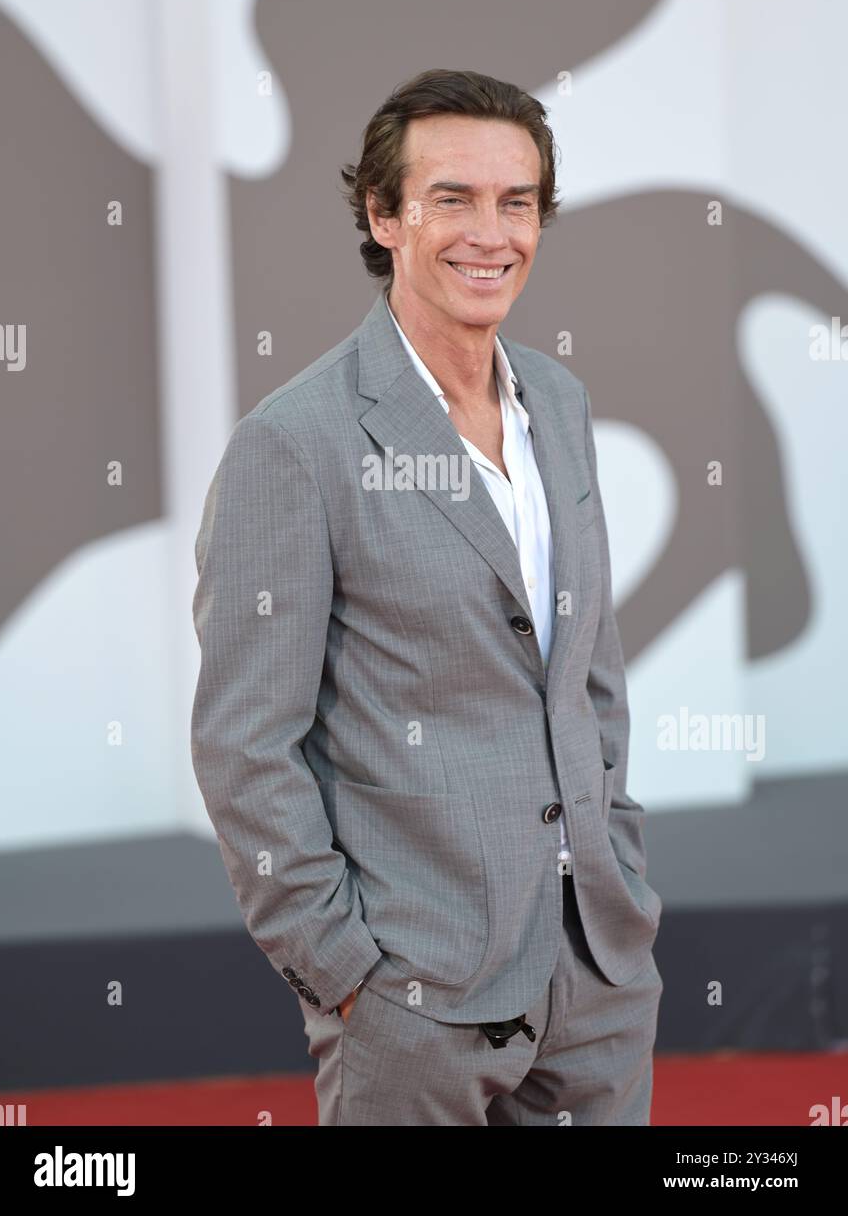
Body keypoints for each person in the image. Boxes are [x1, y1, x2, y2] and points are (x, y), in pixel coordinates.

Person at [191, 68, 663, 1126]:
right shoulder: (294, 444)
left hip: (597, 975)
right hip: (414, 999)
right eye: (451, 198)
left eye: (518, 201)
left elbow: (586, 672)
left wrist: (619, 872)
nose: (489, 233)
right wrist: (345, 971)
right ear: (383, 214)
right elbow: (244, 744)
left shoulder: (561, 399)